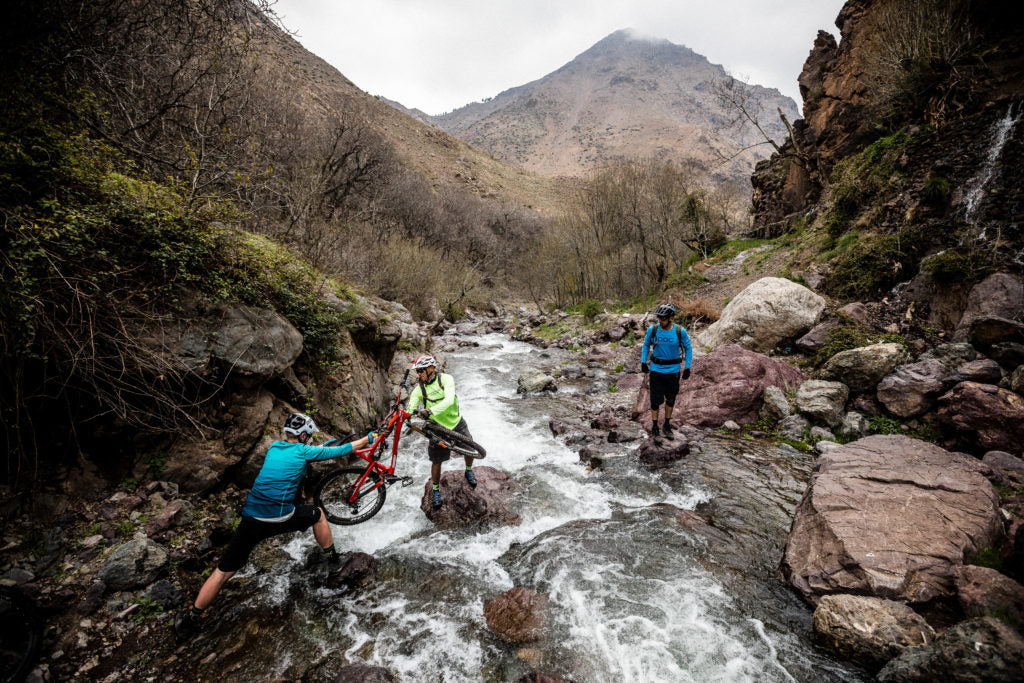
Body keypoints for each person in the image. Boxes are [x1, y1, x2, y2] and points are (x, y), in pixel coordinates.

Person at [174, 412, 373, 641]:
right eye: (308, 436)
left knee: (223, 572)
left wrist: (321, 447)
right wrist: (370, 437)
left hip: (250, 519)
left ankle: (191, 619)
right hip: (278, 518)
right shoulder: (304, 451)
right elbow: (341, 451)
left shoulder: (274, 447)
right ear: (305, 434)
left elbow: (302, 453)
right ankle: (333, 560)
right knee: (317, 514)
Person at [406, 353, 477, 509]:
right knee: (436, 460)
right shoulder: (419, 390)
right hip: (437, 428)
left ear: (432, 368)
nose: (419, 374)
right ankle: (436, 490)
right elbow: (411, 408)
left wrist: (429, 411)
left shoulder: (446, 379)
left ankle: (469, 471)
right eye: (417, 371)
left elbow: (450, 399)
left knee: (470, 449)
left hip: (456, 422)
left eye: (421, 370)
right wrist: (407, 417)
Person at [640, 303, 693, 440]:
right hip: (656, 370)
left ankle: (667, 425)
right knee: (655, 401)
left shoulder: (680, 331)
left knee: (670, 400)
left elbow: (688, 348)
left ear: (671, 318)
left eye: (663, 318)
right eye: (659, 318)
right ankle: (655, 427)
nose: (660, 321)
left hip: (673, 371)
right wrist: (643, 361)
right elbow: (646, 345)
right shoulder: (653, 330)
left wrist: (687, 367)